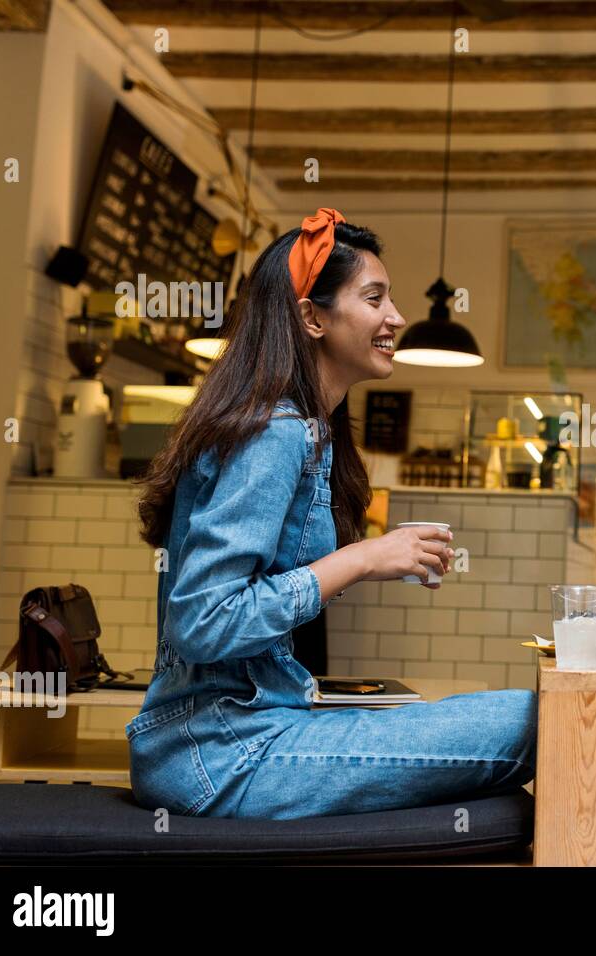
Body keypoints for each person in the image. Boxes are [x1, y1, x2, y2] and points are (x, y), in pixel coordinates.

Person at [129, 208, 536, 819]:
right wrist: (360, 559)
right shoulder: (274, 432)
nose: (396, 317)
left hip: (252, 731)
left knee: (526, 721)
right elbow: (203, 623)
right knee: (540, 720)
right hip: (222, 753)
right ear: (311, 316)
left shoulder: (302, 429)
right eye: (375, 298)